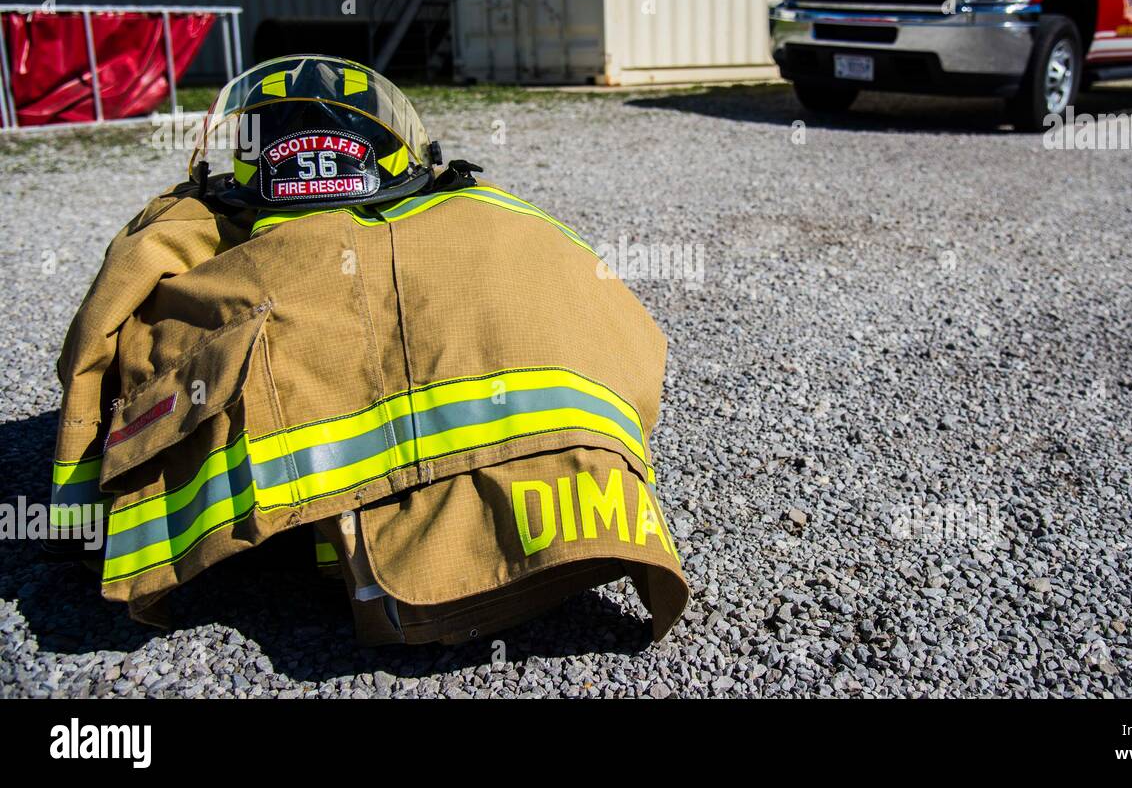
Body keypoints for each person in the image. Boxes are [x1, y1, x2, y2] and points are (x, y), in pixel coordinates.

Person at [49, 55, 688, 645]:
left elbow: (90, 371)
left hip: (307, 556)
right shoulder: (522, 231)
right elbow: (632, 346)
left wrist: (79, 524)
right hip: (597, 526)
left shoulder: (182, 252)